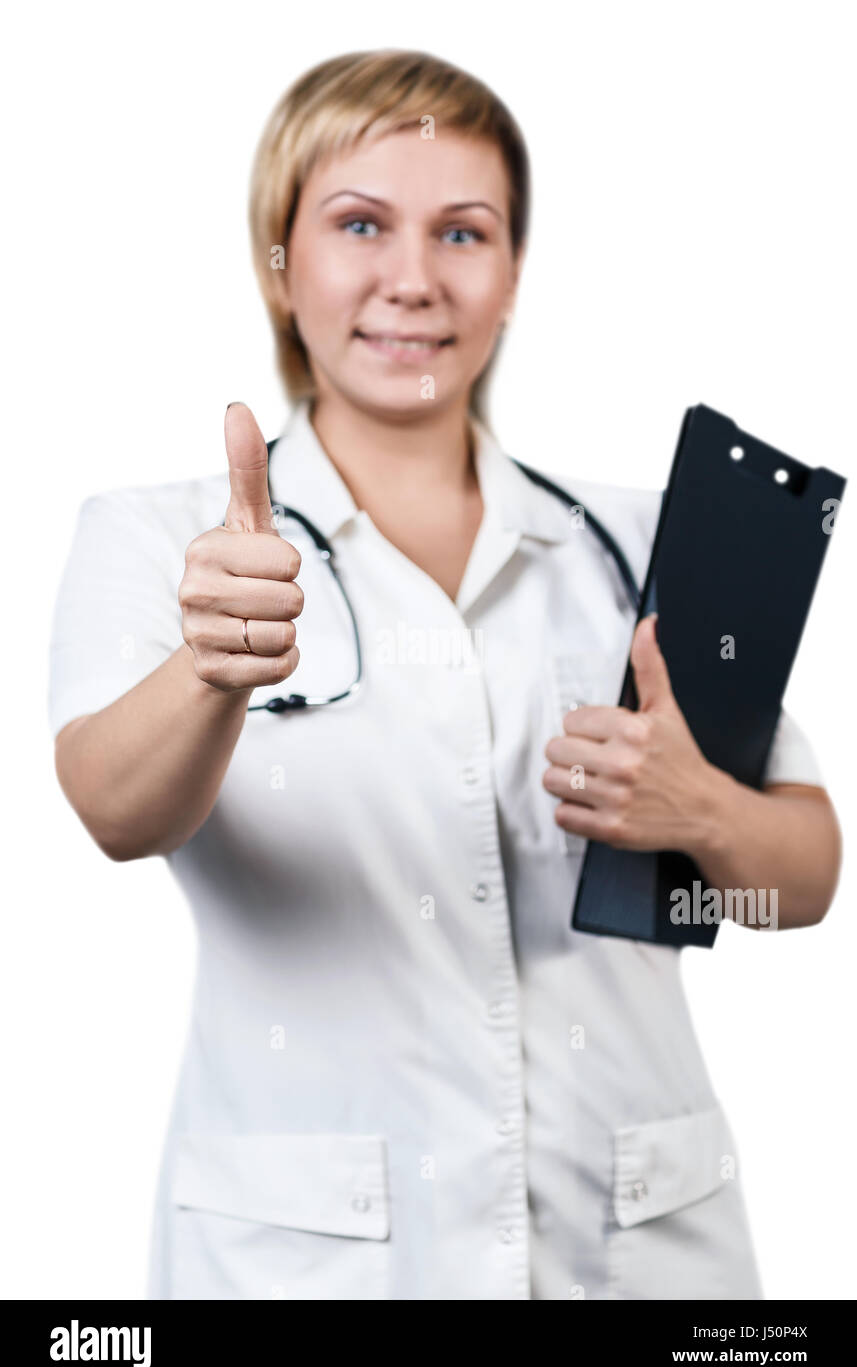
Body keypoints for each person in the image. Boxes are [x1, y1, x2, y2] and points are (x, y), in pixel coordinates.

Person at [49, 49, 841, 1301]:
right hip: (313, 1260)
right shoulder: (159, 537)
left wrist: (700, 812)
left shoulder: (647, 542)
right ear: (281, 257)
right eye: (359, 223)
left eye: (462, 233)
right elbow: (108, 805)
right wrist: (210, 670)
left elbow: (801, 879)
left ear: (513, 270)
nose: (411, 279)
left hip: (641, 1253)